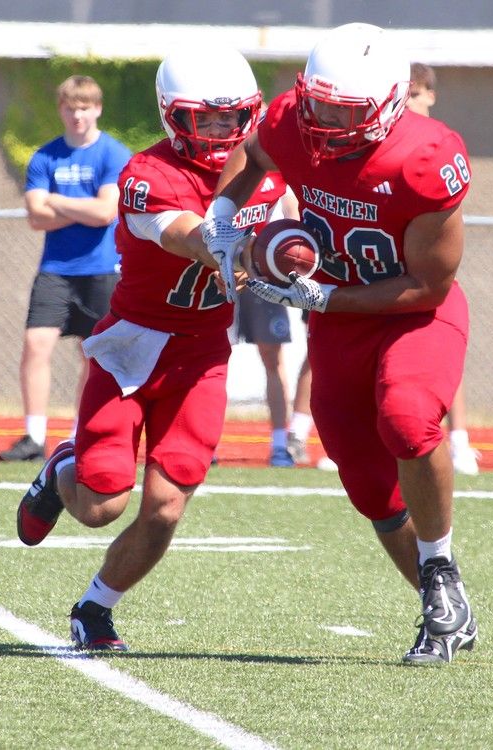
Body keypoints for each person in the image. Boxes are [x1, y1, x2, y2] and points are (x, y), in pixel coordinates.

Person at [204, 23, 477, 665]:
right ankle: (445, 612)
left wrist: (322, 297)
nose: (322, 121)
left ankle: (438, 569)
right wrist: (223, 216)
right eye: (316, 103)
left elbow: (428, 287)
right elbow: (254, 154)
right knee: (364, 480)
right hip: (337, 320)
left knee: (407, 419)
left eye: (342, 111)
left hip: (411, 312)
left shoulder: (426, 158)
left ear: (390, 102)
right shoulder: (295, 118)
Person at [15, 49, 285, 651]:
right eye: (204, 120)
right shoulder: (147, 175)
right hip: (130, 352)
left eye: (230, 118)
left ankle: (94, 607)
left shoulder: (270, 169)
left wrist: (303, 251)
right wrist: (250, 251)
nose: (219, 132)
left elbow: (294, 219)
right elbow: (188, 236)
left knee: (164, 508)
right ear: (173, 117)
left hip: (201, 356)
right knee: (100, 504)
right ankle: (62, 470)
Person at [0, 75, 132, 461]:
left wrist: (56, 201)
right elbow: (36, 218)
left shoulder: (113, 154)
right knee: (35, 345)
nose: (78, 114)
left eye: (85, 107)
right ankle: (34, 438)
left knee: (94, 356)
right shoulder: (45, 157)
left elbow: (107, 211)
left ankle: (79, 435)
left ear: (98, 109)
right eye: (71, 107)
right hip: (56, 269)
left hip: (103, 268)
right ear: (61, 109)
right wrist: (80, 207)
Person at [406, 62, 480, 476]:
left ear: (431, 95)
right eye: (405, 96)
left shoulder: (440, 144)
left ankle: (459, 440)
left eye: (417, 95)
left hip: (431, 261)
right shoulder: (388, 139)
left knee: (444, 358)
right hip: (388, 261)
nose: (411, 104)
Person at [232, 186, 301, 467]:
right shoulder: (224, 169)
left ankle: (280, 444)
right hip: (217, 268)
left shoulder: (277, 170)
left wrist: (287, 260)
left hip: (264, 273)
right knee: (211, 358)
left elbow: (294, 218)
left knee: (272, 358)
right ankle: (204, 444)